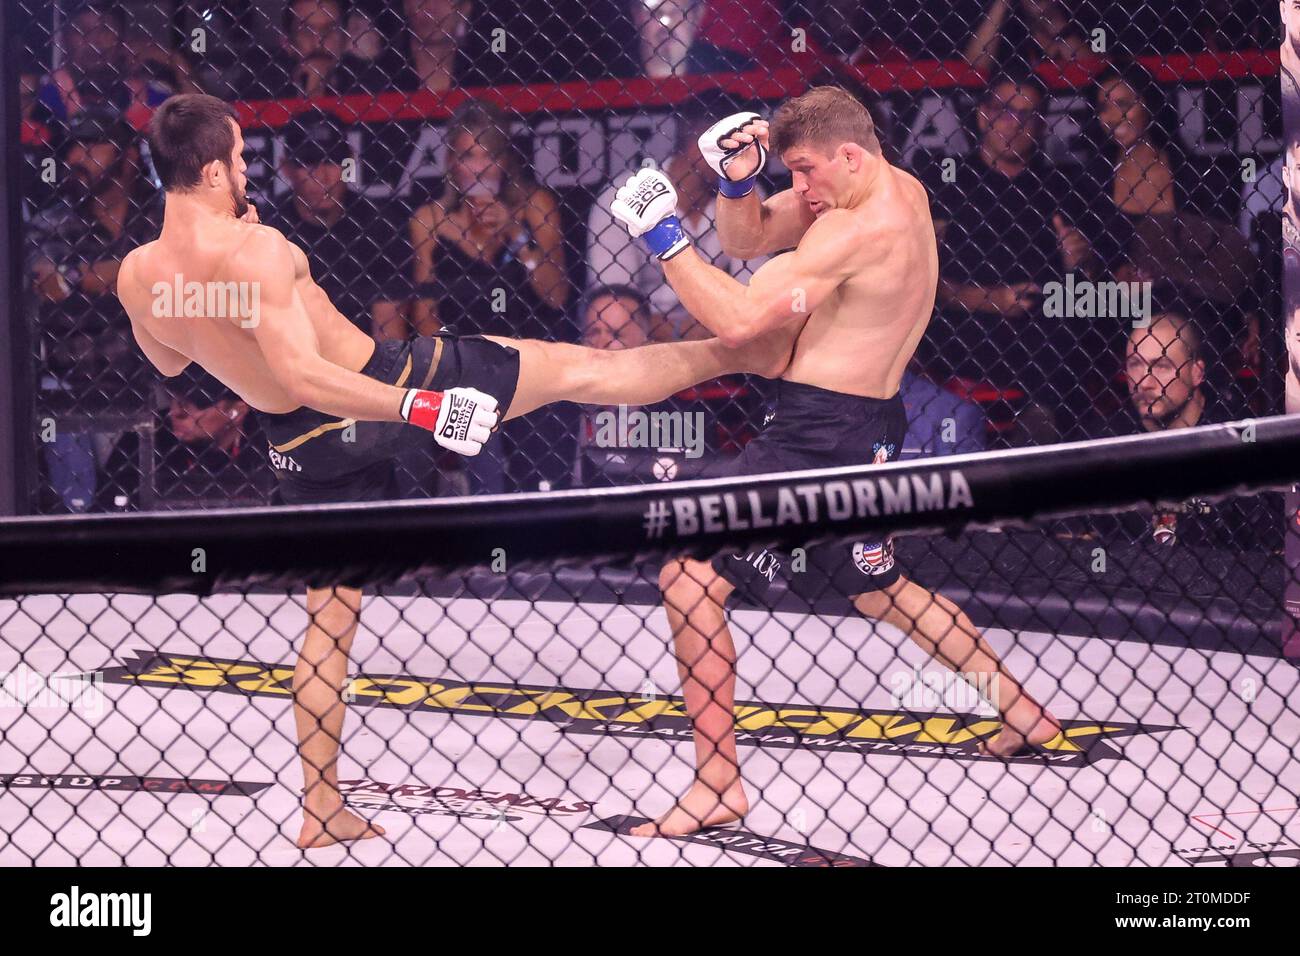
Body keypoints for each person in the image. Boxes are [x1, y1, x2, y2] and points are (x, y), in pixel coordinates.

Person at [115, 93, 795, 850]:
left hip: (300, 446)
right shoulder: (258, 249)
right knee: (577, 370)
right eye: (239, 159)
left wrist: (220, 315)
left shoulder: (139, 274)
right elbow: (308, 372)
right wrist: (421, 409)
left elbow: (173, 359)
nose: (248, 171)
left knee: (328, 620)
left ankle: (322, 808)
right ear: (211, 169)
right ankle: (746, 349)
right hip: (377, 387)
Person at [609, 87, 1061, 837]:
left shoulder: (855, 230)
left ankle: (717, 783)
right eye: (792, 174)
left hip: (813, 441)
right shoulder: (894, 187)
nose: (802, 191)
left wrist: (663, 236)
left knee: (688, 580)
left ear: (848, 155)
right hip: (868, 427)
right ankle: (1025, 710)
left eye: (807, 172)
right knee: (879, 587)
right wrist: (734, 184)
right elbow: (751, 240)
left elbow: (738, 318)